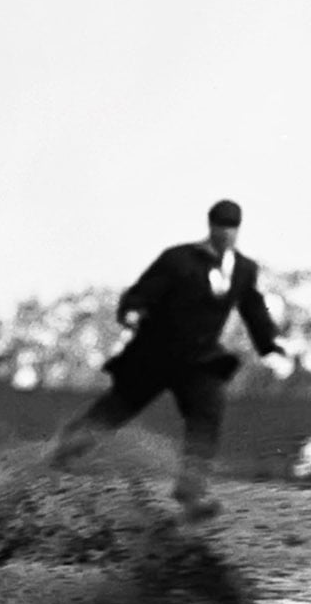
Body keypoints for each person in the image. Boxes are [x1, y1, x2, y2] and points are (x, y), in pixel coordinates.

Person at [51, 200, 285, 518]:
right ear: (211, 226)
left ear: (238, 230)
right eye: (221, 226)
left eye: (231, 227)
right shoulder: (179, 259)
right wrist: (133, 310)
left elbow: (252, 307)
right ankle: (63, 453)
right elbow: (143, 291)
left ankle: (191, 489)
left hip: (199, 360)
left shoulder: (243, 269)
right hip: (156, 353)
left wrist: (269, 344)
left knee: (208, 410)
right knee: (117, 407)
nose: (226, 233)